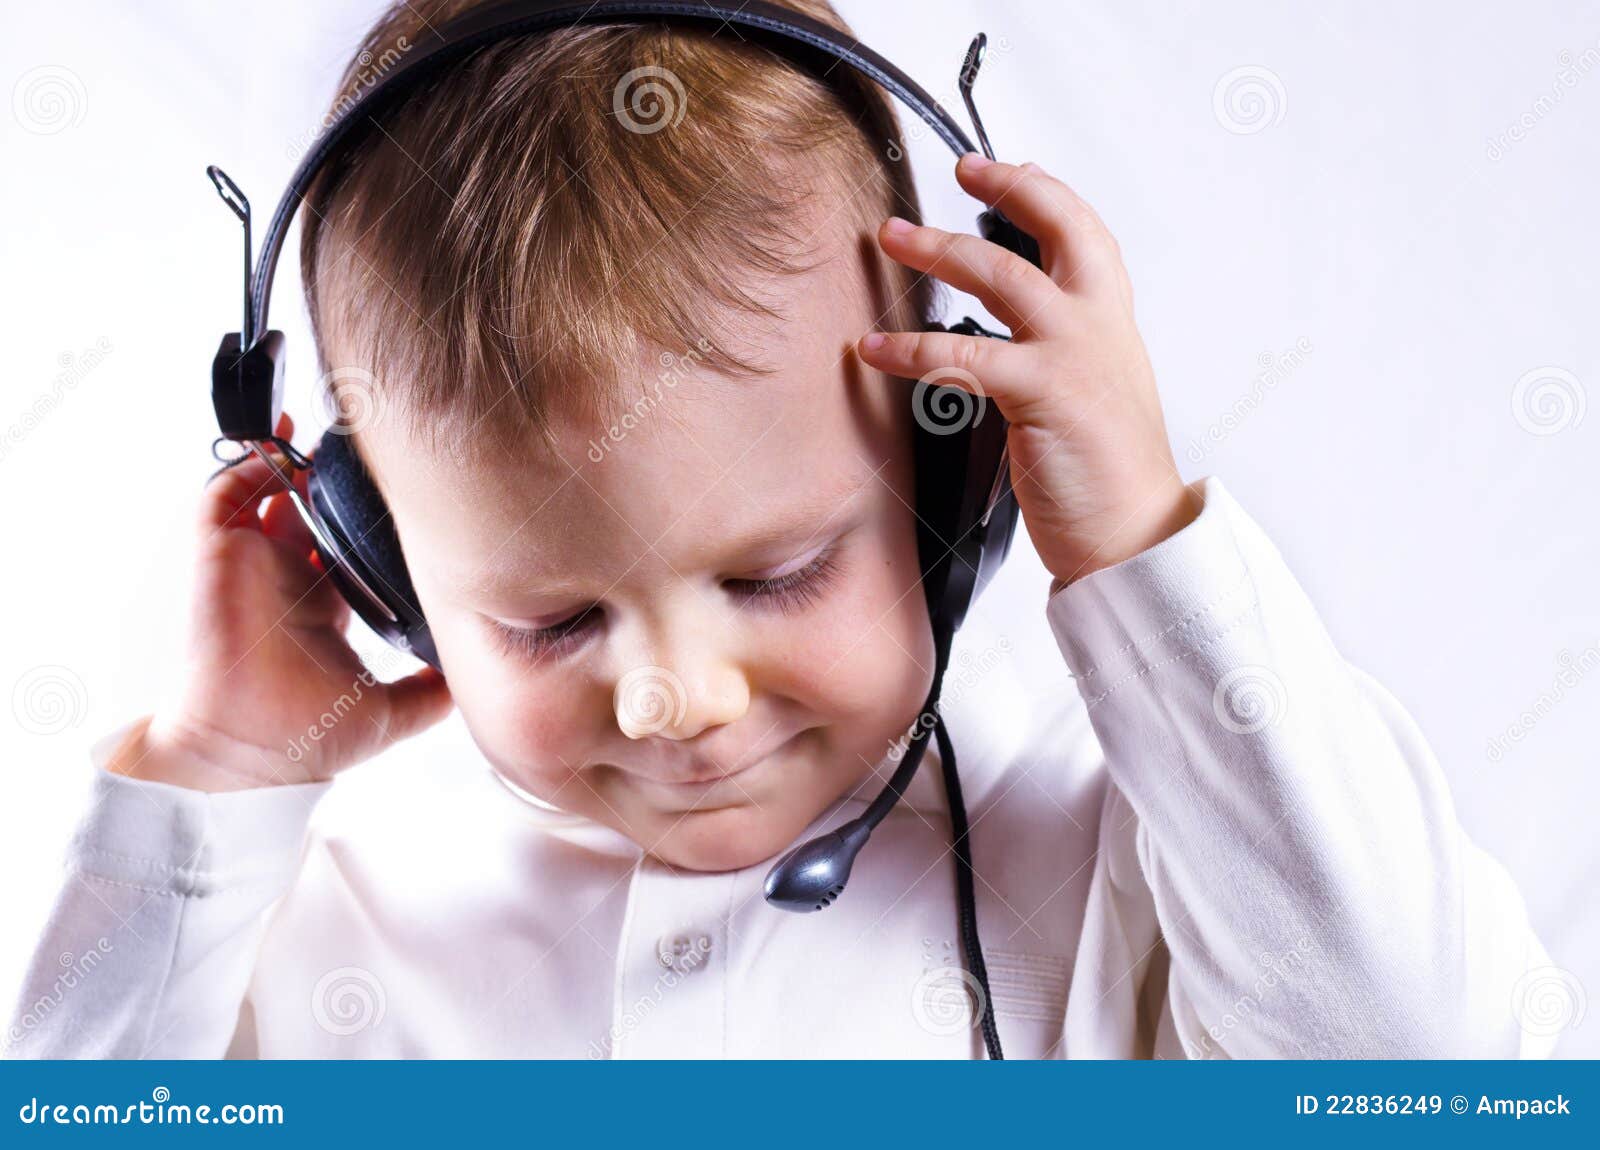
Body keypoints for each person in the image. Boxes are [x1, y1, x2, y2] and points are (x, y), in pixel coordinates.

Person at [4, 0, 1557, 1058]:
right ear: (380, 569)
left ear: (957, 482)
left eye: (780, 569)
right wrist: (215, 790)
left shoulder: (1144, 868)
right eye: (551, 620)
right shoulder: (332, 933)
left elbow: (1428, 1067)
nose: (677, 699)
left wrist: (1144, 556)